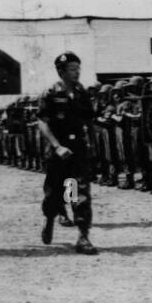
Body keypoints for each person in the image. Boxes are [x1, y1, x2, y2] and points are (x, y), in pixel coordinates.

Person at [37, 51, 98, 254]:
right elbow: (43, 123)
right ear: (61, 71)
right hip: (57, 152)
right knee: (54, 192)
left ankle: (83, 236)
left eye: (78, 68)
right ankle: (49, 218)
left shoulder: (82, 93)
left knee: (79, 191)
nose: (77, 72)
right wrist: (57, 146)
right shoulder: (50, 93)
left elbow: (89, 121)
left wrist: (92, 144)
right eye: (72, 69)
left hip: (77, 151)